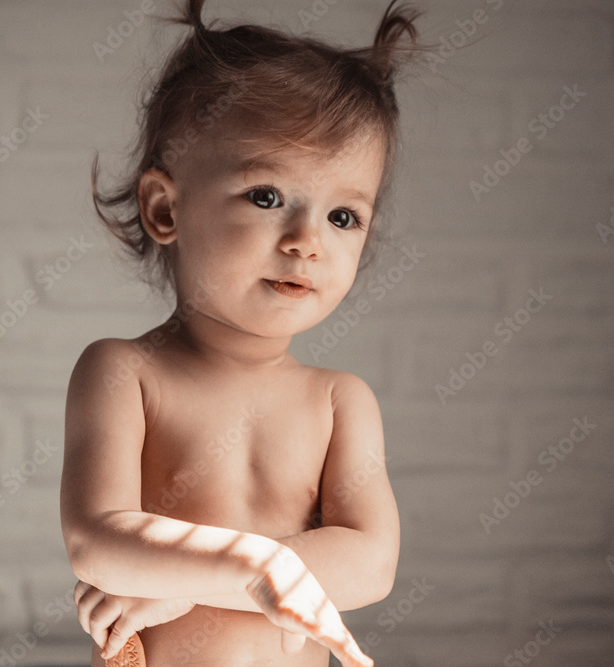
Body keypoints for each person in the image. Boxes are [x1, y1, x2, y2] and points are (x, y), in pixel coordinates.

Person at [60, 1, 427, 664]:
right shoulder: (124, 372)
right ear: (165, 207)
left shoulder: (339, 400)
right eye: (266, 196)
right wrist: (245, 570)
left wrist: (208, 576)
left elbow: (371, 559)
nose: (307, 241)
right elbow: (98, 537)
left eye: (344, 216)